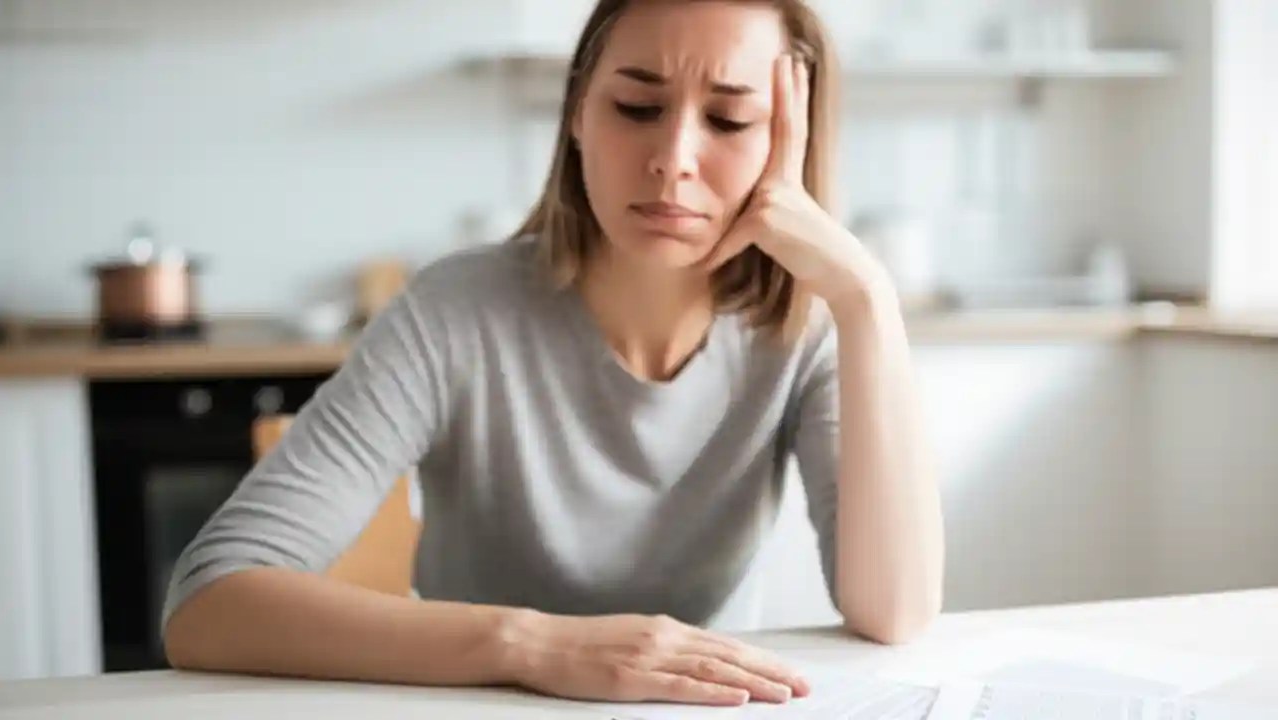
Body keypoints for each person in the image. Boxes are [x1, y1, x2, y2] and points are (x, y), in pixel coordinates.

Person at [161, 0, 944, 708]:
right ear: (576, 113)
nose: (674, 157)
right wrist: (533, 647)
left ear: (788, 142)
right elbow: (207, 603)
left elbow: (895, 611)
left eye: (732, 121)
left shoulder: (806, 333)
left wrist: (866, 298)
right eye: (637, 106)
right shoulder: (454, 313)